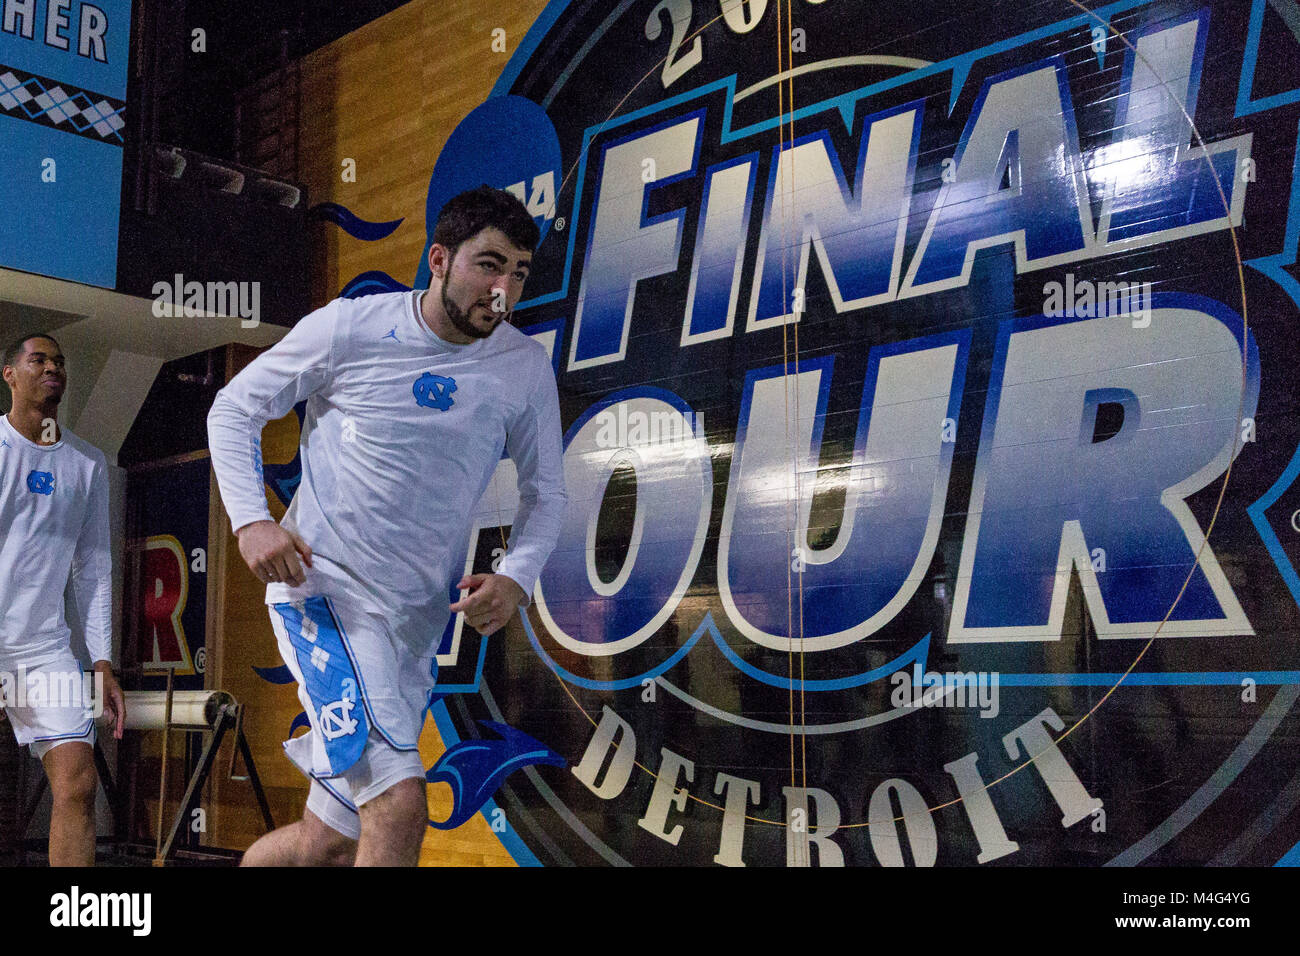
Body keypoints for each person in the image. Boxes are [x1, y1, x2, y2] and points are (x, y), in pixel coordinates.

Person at [208, 186, 567, 866]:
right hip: (322, 595)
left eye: (518, 272)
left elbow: (548, 493)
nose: (503, 289)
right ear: (439, 259)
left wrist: (516, 578)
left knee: (326, 842)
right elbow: (233, 410)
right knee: (399, 808)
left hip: (413, 628)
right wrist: (252, 521)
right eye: (488, 265)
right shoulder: (351, 327)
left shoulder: (522, 368)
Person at [0, 333, 125, 866]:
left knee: (78, 783)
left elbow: (94, 567)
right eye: (39, 359)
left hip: (44, 650)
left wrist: (101, 661)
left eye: (59, 361)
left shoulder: (86, 462)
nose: (52, 367)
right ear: (10, 374)